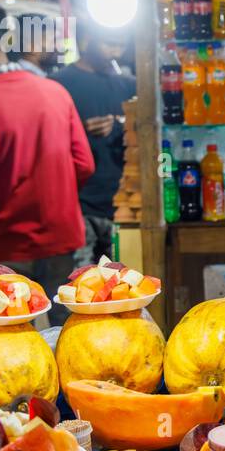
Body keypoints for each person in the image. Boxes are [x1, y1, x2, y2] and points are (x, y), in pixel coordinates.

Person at [0, 0, 94, 327]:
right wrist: (60, 199)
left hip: (10, 241)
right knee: (69, 330)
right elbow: (84, 165)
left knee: (13, 335)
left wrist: (6, 212)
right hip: (64, 235)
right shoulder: (55, 92)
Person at [53, 18, 137, 268]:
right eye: (109, 44)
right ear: (87, 40)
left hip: (121, 201)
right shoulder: (59, 84)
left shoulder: (128, 84)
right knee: (79, 286)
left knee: (121, 286)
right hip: (78, 202)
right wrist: (79, 132)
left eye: (121, 46)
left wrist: (121, 124)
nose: (115, 52)